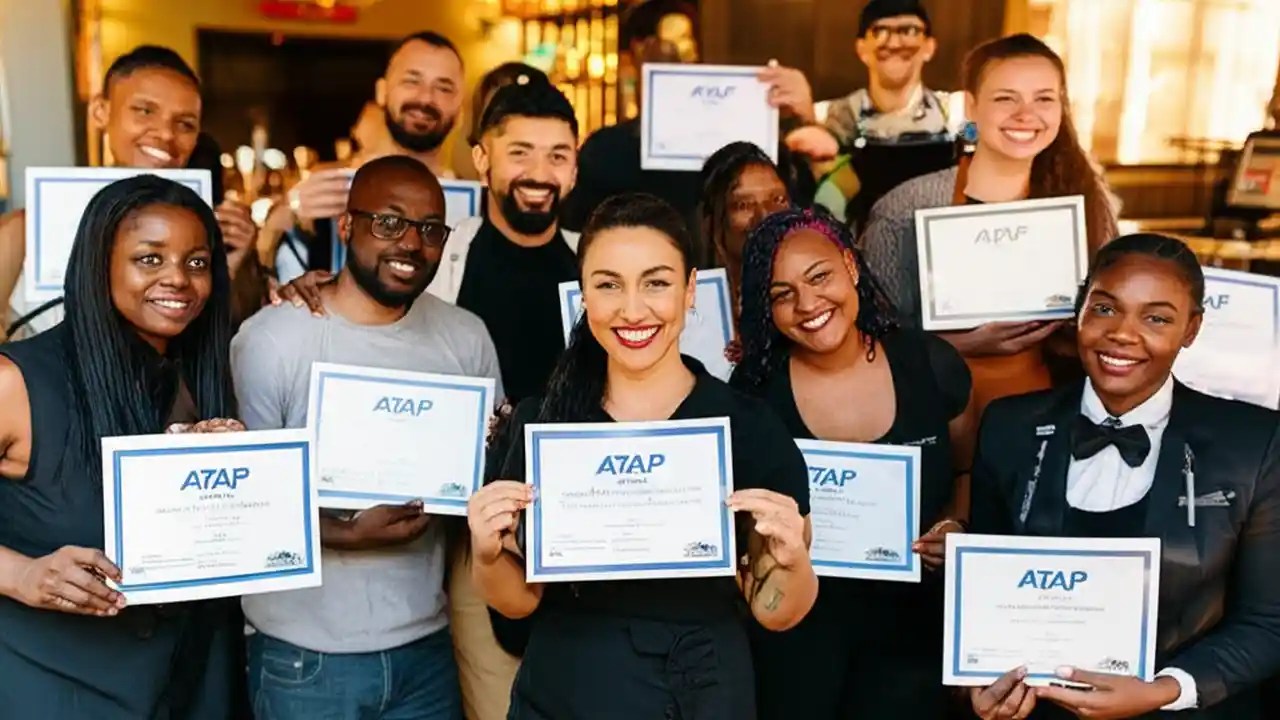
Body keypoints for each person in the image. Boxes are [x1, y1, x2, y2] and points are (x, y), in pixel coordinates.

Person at [469, 193, 818, 718]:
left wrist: (793, 564)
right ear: (583, 294)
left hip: (702, 692)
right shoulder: (545, 424)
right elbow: (518, 602)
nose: (633, 310)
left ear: (690, 290)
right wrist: (486, 553)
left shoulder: (747, 426)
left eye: (656, 283)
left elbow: (777, 613)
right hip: (567, 689)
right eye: (609, 285)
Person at [232, 155, 502, 720]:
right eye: (389, 222)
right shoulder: (273, 340)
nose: (411, 243)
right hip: (302, 657)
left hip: (426, 647)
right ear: (347, 226)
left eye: (431, 229)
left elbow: (488, 475)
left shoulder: (466, 337)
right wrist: (347, 534)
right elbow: (242, 508)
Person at [969, 233, 1280, 720]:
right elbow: (984, 600)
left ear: (1191, 329)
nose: (1122, 334)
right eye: (1105, 308)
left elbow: (1268, 621)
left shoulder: (1254, 443)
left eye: (1156, 318)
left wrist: (1163, 691)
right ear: (1079, 311)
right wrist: (980, 686)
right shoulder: (1010, 426)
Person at [0, 175, 241, 717]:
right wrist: (20, 575)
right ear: (99, 263)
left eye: (197, 262)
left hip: (189, 682)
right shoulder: (17, 382)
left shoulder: (198, 381)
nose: (178, 278)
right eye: (149, 259)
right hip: (52, 687)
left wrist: (233, 474)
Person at [731, 206, 975, 719]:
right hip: (800, 639)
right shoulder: (754, 390)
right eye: (782, 294)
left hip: (913, 633)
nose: (807, 304)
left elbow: (967, 470)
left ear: (851, 265)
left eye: (820, 276)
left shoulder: (930, 364)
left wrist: (954, 524)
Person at [860, 33, 1118, 418]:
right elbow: (871, 337)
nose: (1026, 114)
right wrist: (957, 345)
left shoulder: (1085, 202)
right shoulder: (904, 209)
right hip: (936, 413)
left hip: (1054, 413)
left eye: (1044, 99)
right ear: (971, 105)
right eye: (1005, 98)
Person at [0, 45, 257, 341]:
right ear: (100, 112)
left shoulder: (207, 236)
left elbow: (222, 345)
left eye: (185, 124)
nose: (166, 134)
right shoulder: (25, 231)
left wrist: (227, 269)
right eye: (145, 111)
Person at [264, 31, 466, 277]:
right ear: (382, 92)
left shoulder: (475, 210)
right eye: (411, 81)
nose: (425, 98)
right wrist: (288, 214)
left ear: (460, 110)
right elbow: (265, 274)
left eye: (444, 88)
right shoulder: (328, 188)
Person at [762, 0, 961, 227]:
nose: (894, 43)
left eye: (909, 31)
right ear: (861, 48)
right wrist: (803, 120)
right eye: (880, 31)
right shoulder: (829, 116)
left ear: (929, 47)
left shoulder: (954, 114)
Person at [562, 0, 705, 248]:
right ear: (640, 49)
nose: (687, 53)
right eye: (676, 40)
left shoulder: (717, 142)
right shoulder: (606, 150)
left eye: (690, 41)